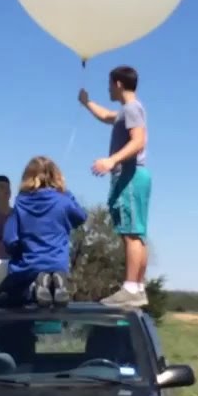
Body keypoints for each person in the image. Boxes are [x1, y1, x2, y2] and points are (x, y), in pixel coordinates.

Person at [78, 65, 151, 309]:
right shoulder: (127, 110)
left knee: (131, 233)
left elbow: (138, 141)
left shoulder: (131, 108)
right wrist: (87, 103)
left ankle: (130, 288)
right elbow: (107, 116)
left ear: (118, 84)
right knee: (136, 232)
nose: (108, 89)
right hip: (134, 175)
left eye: (109, 84)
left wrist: (112, 160)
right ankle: (137, 288)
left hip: (130, 175)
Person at [0, 156, 88, 308]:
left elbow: (9, 240)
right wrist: (66, 193)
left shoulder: (21, 202)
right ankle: (57, 280)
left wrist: (17, 252)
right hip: (58, 264)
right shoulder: (63, 201)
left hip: (29, 268)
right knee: (51, 289)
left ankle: (33, 288)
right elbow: (81, 217)